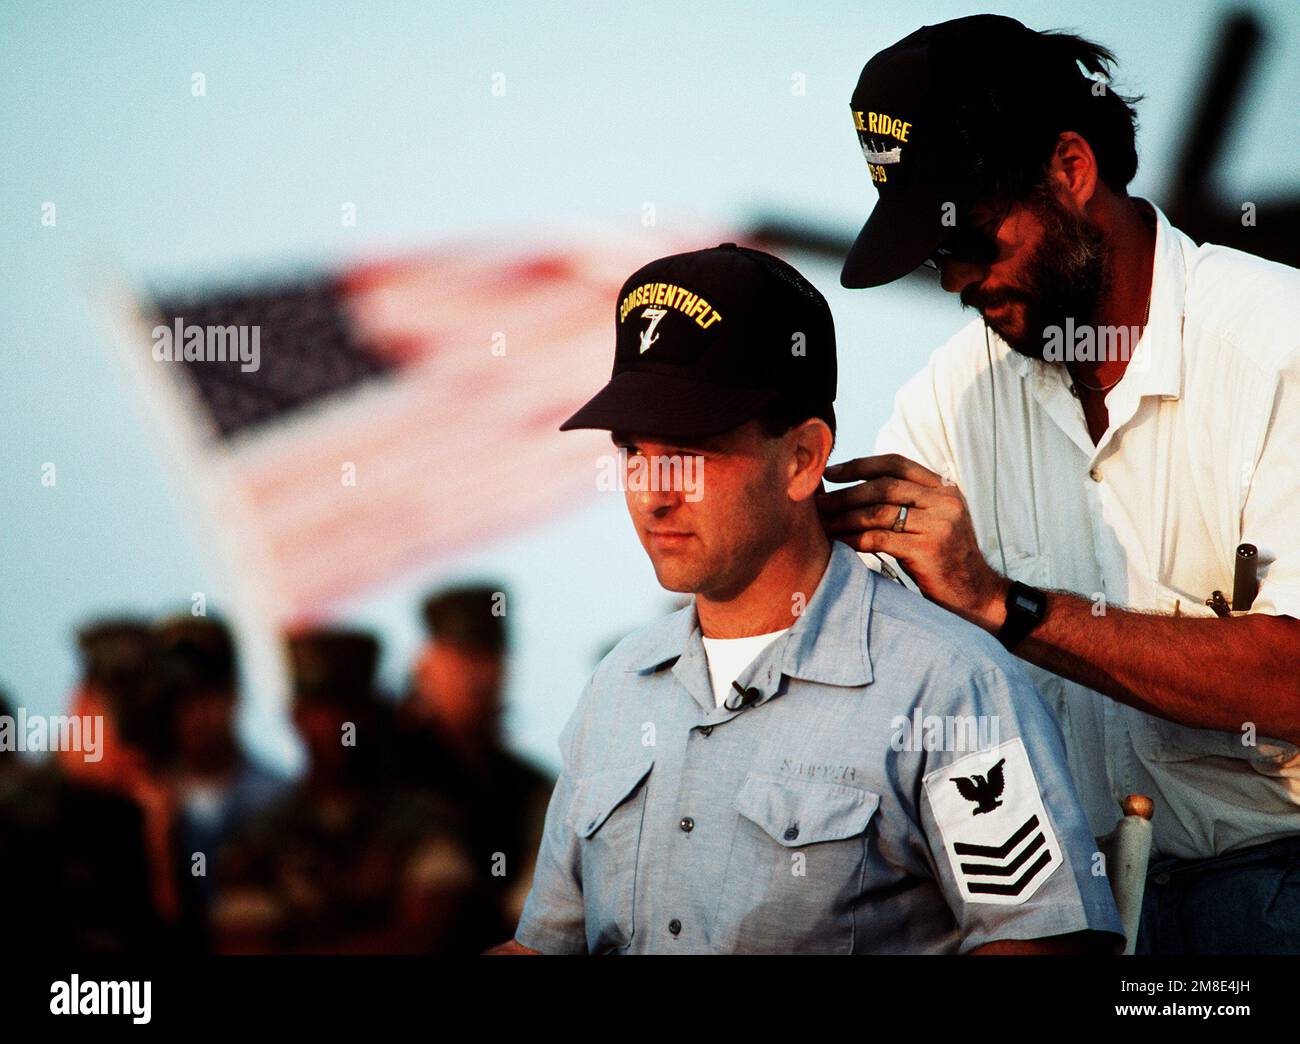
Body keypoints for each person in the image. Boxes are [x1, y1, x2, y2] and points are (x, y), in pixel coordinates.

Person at [822, 15, 1300, 953]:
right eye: (933, 254)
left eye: (970, 237)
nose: (956, 278)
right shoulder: (952, 395)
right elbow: (859, 641)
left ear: (1072, 170)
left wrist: (1005, 605)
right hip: (1054, 912)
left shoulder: (1280, 345)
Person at [491, 243, 1123, 954]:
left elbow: (1040, 946)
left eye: (689, 452)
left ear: (801, 458)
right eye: (634, 451)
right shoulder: (615, 689)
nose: (652, 494)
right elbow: (546, 946)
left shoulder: (947, 686)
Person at [213, 628, 474, 953]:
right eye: (321, 711)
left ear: (371, 714)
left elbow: (425, 935)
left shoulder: (421, 821)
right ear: (296, 717)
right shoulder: (263, 834)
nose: (338, 726)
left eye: (350, 709)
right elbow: (243, 940)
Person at [392, 585, 552, 946]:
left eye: (489, 658)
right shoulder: (389, 768)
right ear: (426, 667)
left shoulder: (524, 784)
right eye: (463, 659)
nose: (479, 676)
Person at [152, 615, 290, 948]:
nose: (194, 713)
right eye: (179, 699)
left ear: (234, 694)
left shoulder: (280, 803)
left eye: (207, 693)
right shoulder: (145, 805)